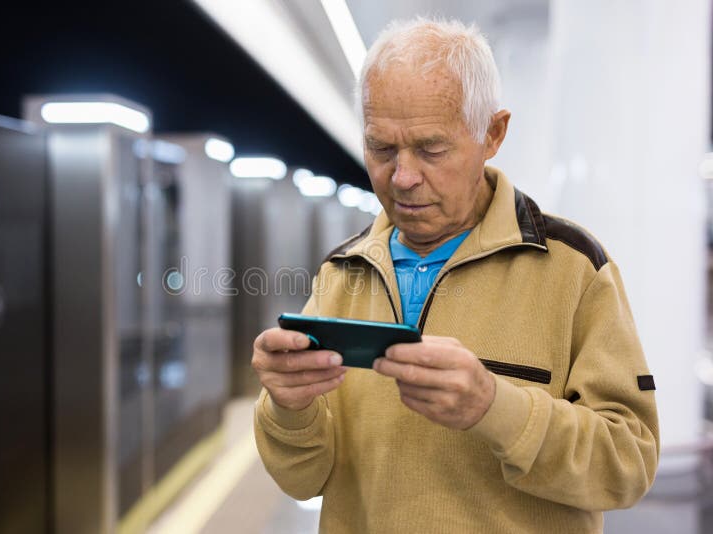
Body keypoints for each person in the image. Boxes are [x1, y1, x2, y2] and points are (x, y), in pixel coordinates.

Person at [251, 17, 658, 534]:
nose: (402, 177)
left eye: (430, 148)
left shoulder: (573, 268)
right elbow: (302, 478)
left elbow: (629, 465)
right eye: (381, 148)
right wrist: (288, 408)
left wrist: (496, 407)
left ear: (493, 133)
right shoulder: (342, 273)